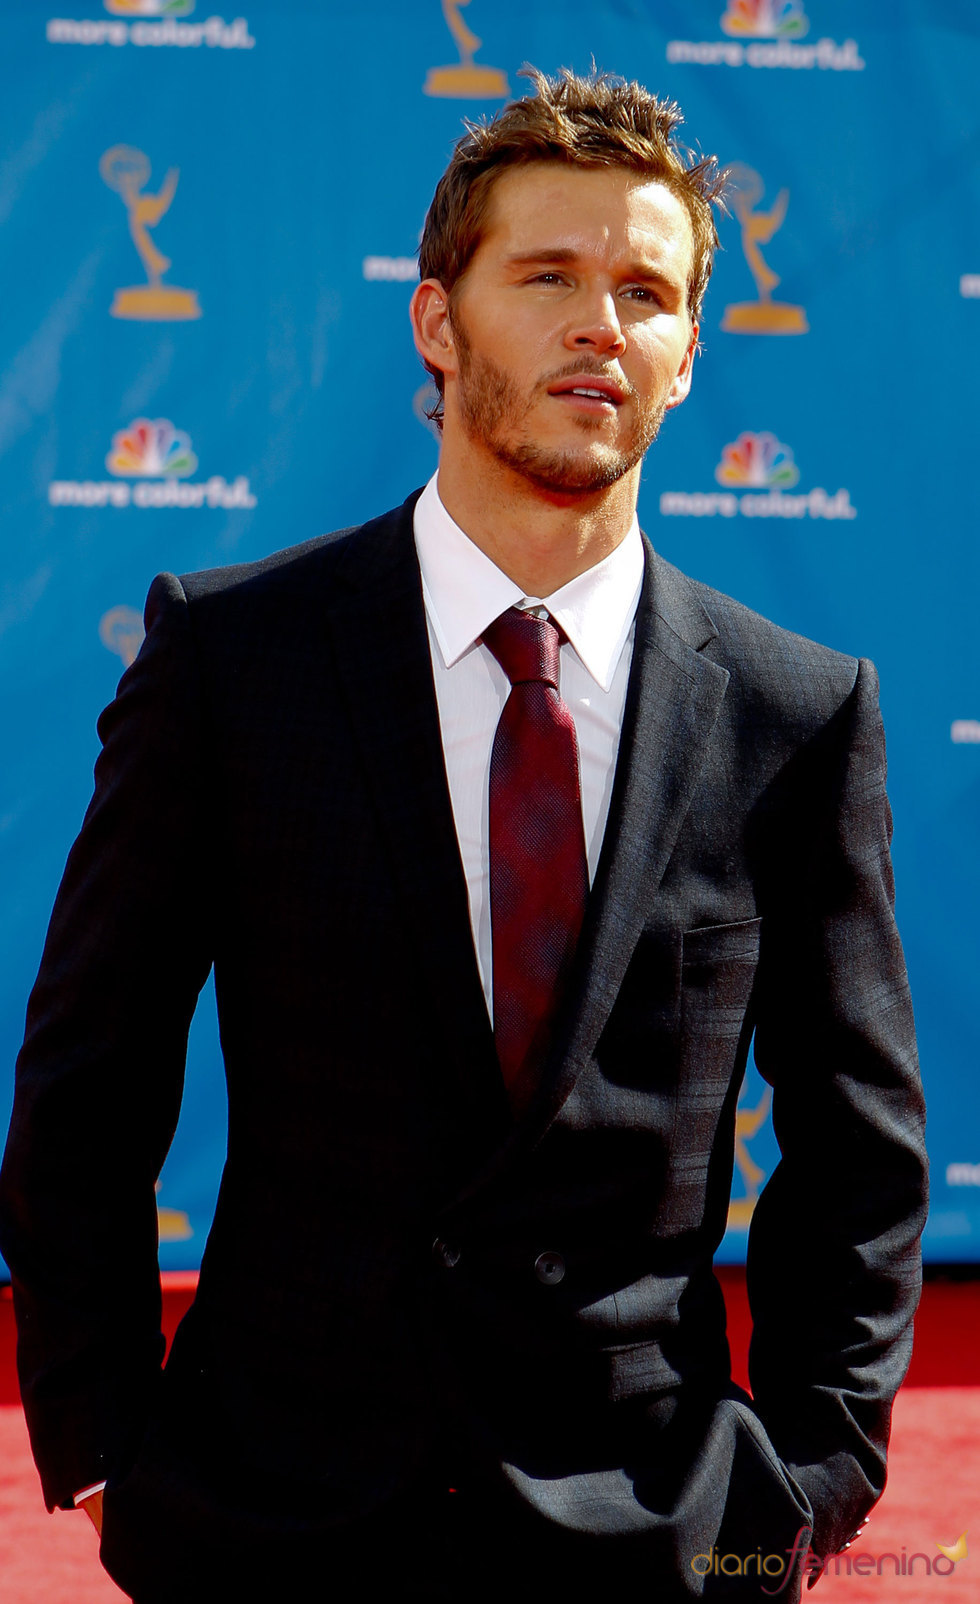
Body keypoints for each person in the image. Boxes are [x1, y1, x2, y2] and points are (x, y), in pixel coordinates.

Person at [0, 69, 927, 1603]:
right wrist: (109, 1454)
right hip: (267, 1520)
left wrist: (806, 1491)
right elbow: (89, 1082)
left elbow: (860, 1143)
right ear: (438, 322)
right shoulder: (232, 664)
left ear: (692, 351)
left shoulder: (797, 712)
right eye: (548, 275)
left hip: (658, 1536)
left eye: (644, 289)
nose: (600, 324)